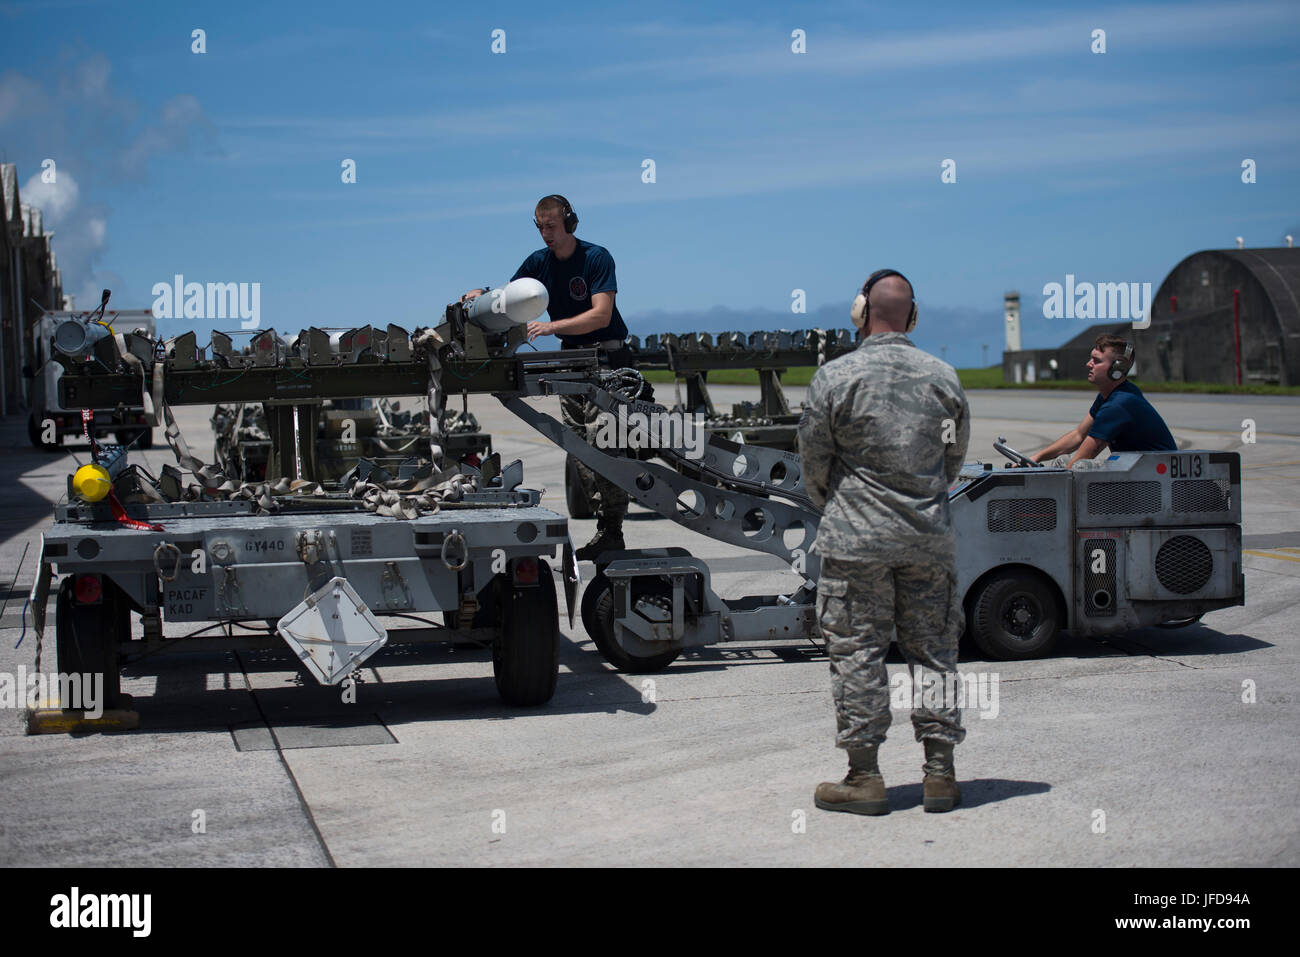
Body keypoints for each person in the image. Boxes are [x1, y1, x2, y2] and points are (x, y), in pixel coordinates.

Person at [798, 269, 970, 815]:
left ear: (860, 312)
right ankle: (940, 774)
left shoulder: (834, 377)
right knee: (936, 653)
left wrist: (840, 508)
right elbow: (953, 461)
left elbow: (813, 463)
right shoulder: (944, 377)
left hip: (857, 542)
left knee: (858, 654)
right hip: (927, 540)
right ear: (913, 316)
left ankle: (865, 777)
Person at [462, 195, 632, 560]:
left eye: (551, 226)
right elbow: (510, 296)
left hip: (606, 361)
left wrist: (551, 326)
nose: (545, 234)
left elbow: (601, 315)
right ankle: (609, 530)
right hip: (572, 360)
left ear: (569, 222)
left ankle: (613, 527)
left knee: (603, 444)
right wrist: (481, 293)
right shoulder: (538, 263)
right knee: (579, 448)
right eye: (539, 227)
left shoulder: (596, 258)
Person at [1030, 334, 1176, 467]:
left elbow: (1087, 453)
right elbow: (1078, 435)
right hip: (1138, 470)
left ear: (1117, 368)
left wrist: (1055, 481)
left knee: (1078, 467)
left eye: (1096, 361)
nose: (1089, 364)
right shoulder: (1110, 395)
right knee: (1064, 462)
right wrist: (1035, 458)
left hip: (1154, 474)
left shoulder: (1120, 403)